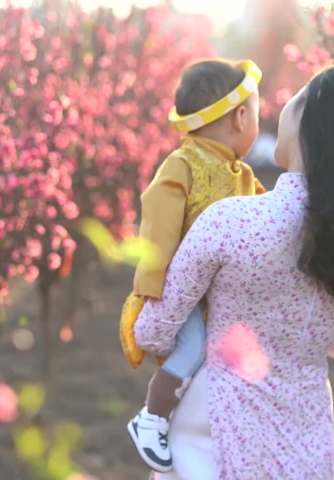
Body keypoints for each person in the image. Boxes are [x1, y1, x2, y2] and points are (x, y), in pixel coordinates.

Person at [134, 58, 334, 479]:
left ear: (313, 124)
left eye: (297, 97)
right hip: (304, 433)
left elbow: (152, 330)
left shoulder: (231, 222)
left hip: (217, 425)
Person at [119, 58, 267, 472]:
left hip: (215, 291)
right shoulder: (182, 164)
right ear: (240, 117)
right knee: (192, 347)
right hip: (178, 288)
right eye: (256, 113)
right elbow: (159, 222)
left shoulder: (241, 173)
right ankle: (152, 417)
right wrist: (153, 286)